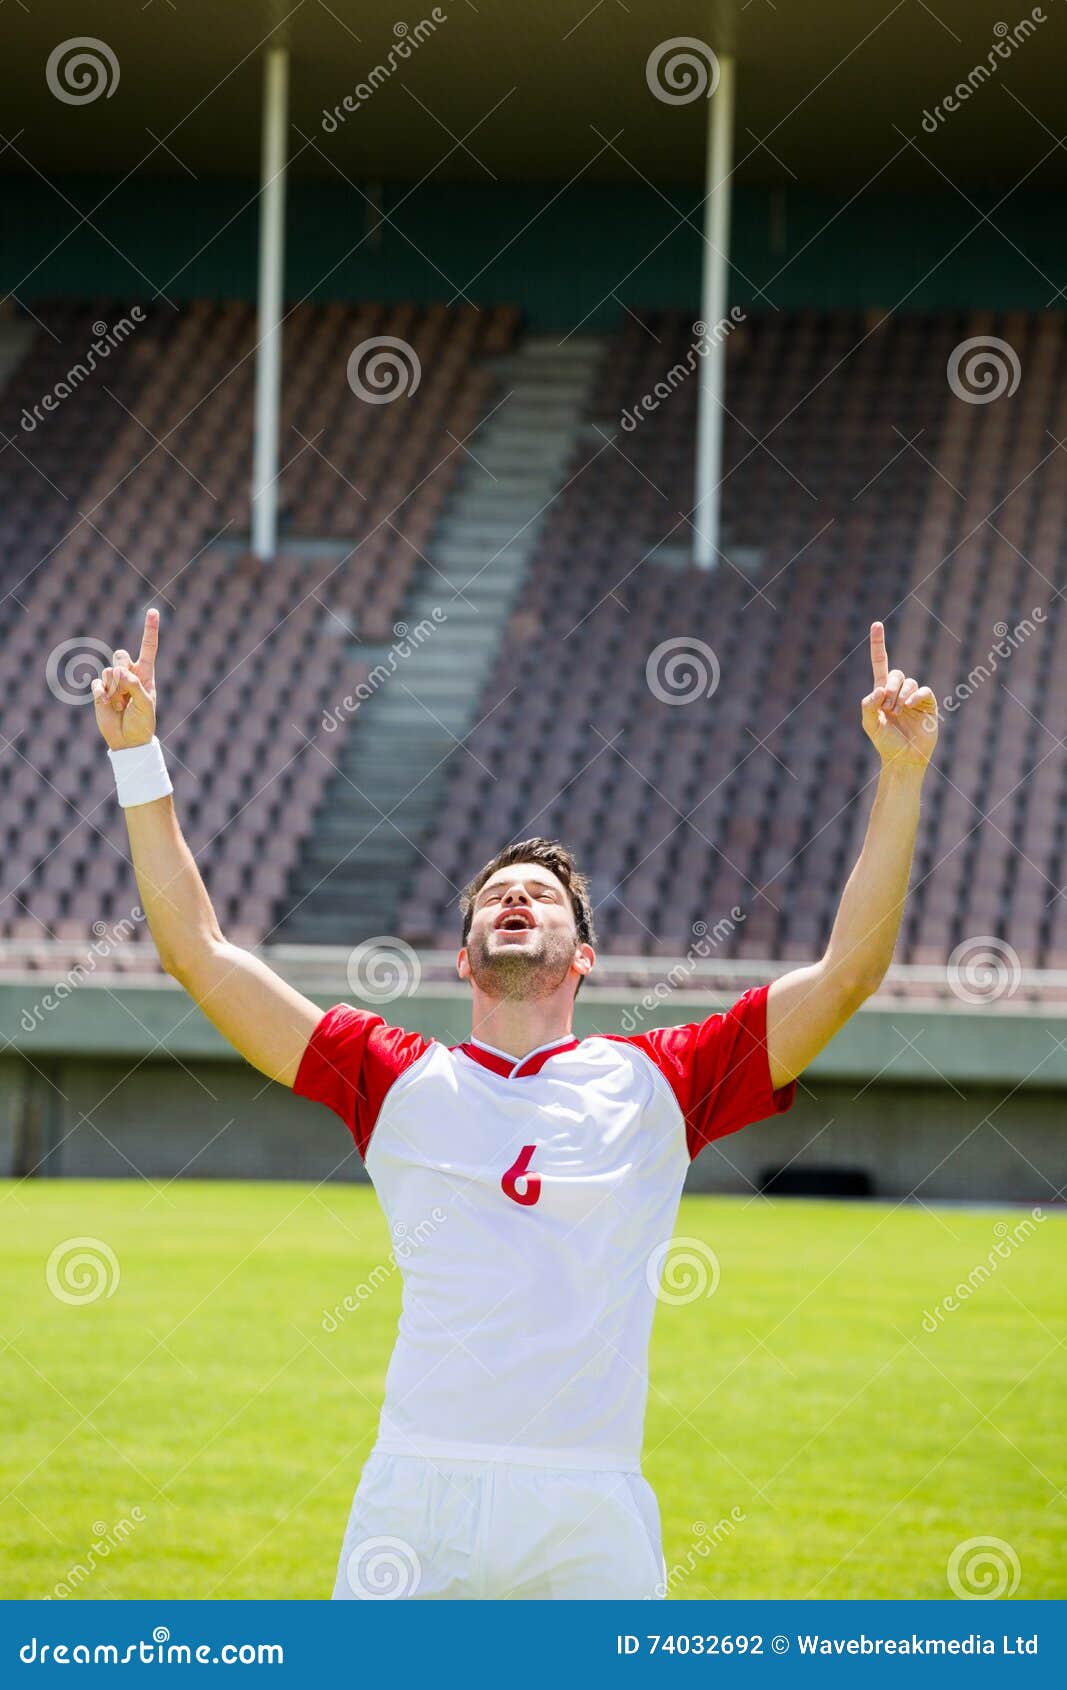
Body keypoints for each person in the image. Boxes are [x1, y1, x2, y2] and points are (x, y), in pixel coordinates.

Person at [91, 608, 938, 1599]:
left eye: (541, 894)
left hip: (587, 1507)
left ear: (584, 956)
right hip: (416, 1496)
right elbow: (199, 955)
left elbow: (846, 974)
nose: (515, 899)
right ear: (462, 958)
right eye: (496, 895)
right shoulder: (391, 1076)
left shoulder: (663, 1081)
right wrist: (137, 757)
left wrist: (901, 774)